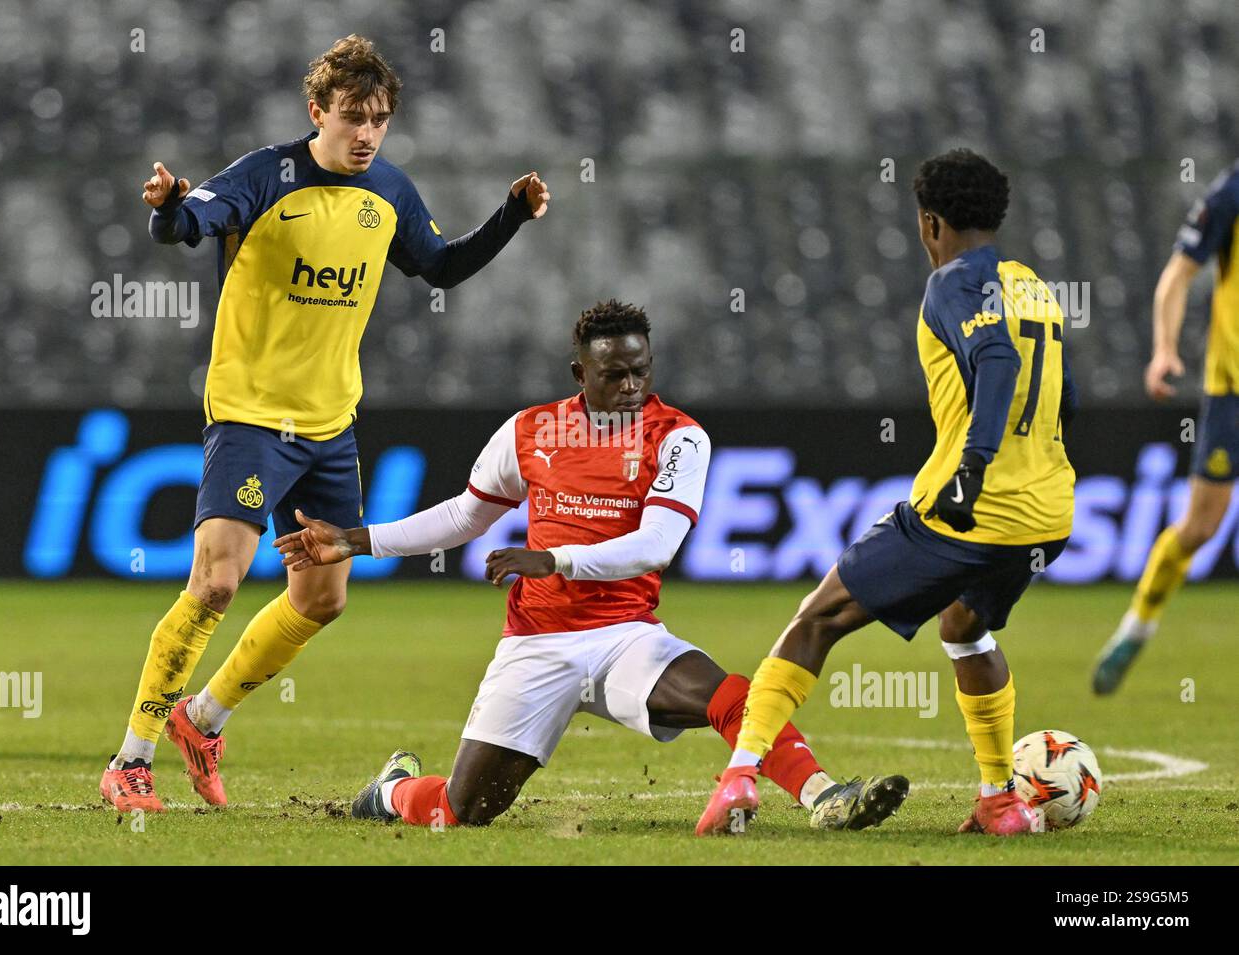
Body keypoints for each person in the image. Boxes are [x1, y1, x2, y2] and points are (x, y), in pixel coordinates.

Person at [100, 34, 550, 813]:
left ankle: (202, 720)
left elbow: (439, 266)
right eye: (353, 117)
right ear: (318, 113)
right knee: (214, 583)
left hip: (330, 423)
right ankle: (130, 760)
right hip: (249, 413)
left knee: (322, 599)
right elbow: (188, 225)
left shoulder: (392, 191)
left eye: (380, 119)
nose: (367, 133)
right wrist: (169, 207)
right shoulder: (264, 175)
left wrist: (509, 216)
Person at [275, 300, 908, 830]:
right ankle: (390, 792)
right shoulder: (530, 431)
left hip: (625, 636)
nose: (631, 387)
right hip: (537, 644)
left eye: (641, 371)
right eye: (614, 375)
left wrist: (551, 559)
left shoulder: (679, 436)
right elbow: (466, 514)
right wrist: (358, 541)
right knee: (461, 812)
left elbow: (656, 545)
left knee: (730, 696)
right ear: (581, 371)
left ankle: (826, 797)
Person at [697, 148, 1076, 837]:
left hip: (969, 509)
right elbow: (1064, 395)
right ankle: (1001, 799)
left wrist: (975, 465)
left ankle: (739, 776)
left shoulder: (953, 281)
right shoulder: (1032, 286)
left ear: (930, 224)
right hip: (1046, 514)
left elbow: (996, 360)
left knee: (818, 616)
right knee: (965, 626)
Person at [1093, 161, 1239, 694]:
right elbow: (1179, 274)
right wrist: (1164, 350)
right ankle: (1136, 627)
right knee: (1199, 527)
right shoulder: (1232, 192)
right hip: (1233, 391)